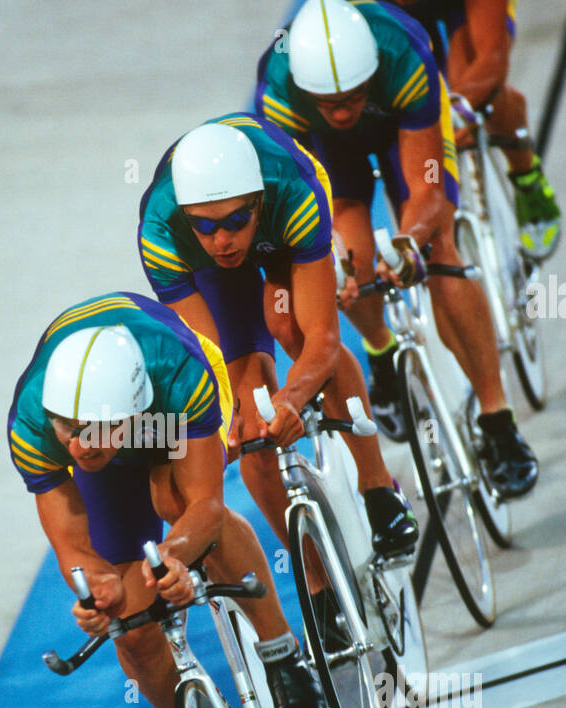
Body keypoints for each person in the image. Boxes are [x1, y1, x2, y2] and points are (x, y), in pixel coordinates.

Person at [8, 292, 329, 708]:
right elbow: (73, 547)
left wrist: (177, 556)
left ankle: (282, 655)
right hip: (128, 416)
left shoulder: (181, 379)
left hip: (171, 407)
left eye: (95, 431)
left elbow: (205, 507)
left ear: (128, 415)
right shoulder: (34, 421)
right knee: (130, 626)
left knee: (179, 499)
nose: (80, 445)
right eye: (68, 431)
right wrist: (95, 589)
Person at [253, 0, 538, 498]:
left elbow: (428, 187)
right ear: (304, 89)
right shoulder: (278, 90)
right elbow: (306, 202)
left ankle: (498, 420)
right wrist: (334, 254)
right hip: (327, 158)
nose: (342, 112)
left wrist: (410, 241)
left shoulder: (402, 53)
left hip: (401, 128)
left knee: (439, 250)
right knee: (350, 263)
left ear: (370, 75)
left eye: (352, 98)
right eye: (329, 103)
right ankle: (381, 351)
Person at [138, 115, 419, 559]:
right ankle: (316, 582)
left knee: (291, 326)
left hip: (283, 232)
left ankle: (378, 486)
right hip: (214, 274)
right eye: (205, 226)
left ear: (257, 202)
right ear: (186, 218)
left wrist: (293, 397)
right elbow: (205, 361)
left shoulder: (291, 192)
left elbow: (323, 340)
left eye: (234, 220)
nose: (223, 240)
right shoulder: (161, 231)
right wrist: (220, 418)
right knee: (247, 412)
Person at [320, 0, 560, 259]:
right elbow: (364, 70)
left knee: (480, 85)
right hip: (379, 10)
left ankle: (526, 174)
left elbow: (492, 58)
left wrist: (456, 107)